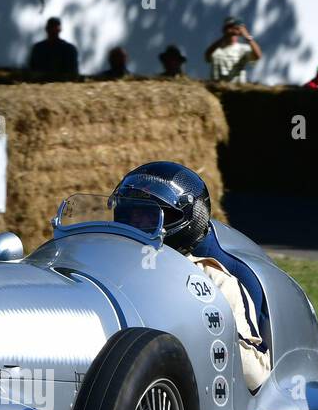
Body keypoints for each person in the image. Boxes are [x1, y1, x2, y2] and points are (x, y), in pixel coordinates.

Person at [111, 161, 271, 391]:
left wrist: (205, 327)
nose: (135, 225)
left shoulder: (215, 281)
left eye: (148, 216)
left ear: (187, 219)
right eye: (130, 214)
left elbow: (255, 375)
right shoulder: (108, 267)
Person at [204, 16, 262, 83]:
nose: (232, 30)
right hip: (214, 89)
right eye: (229, 27)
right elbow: (207, 56)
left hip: (236, 90)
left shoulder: (243, 49)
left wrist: (247, 36)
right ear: (224, 30)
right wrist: (225, 36)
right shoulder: (217, 49)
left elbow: (258, 55)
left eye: (235, 28)